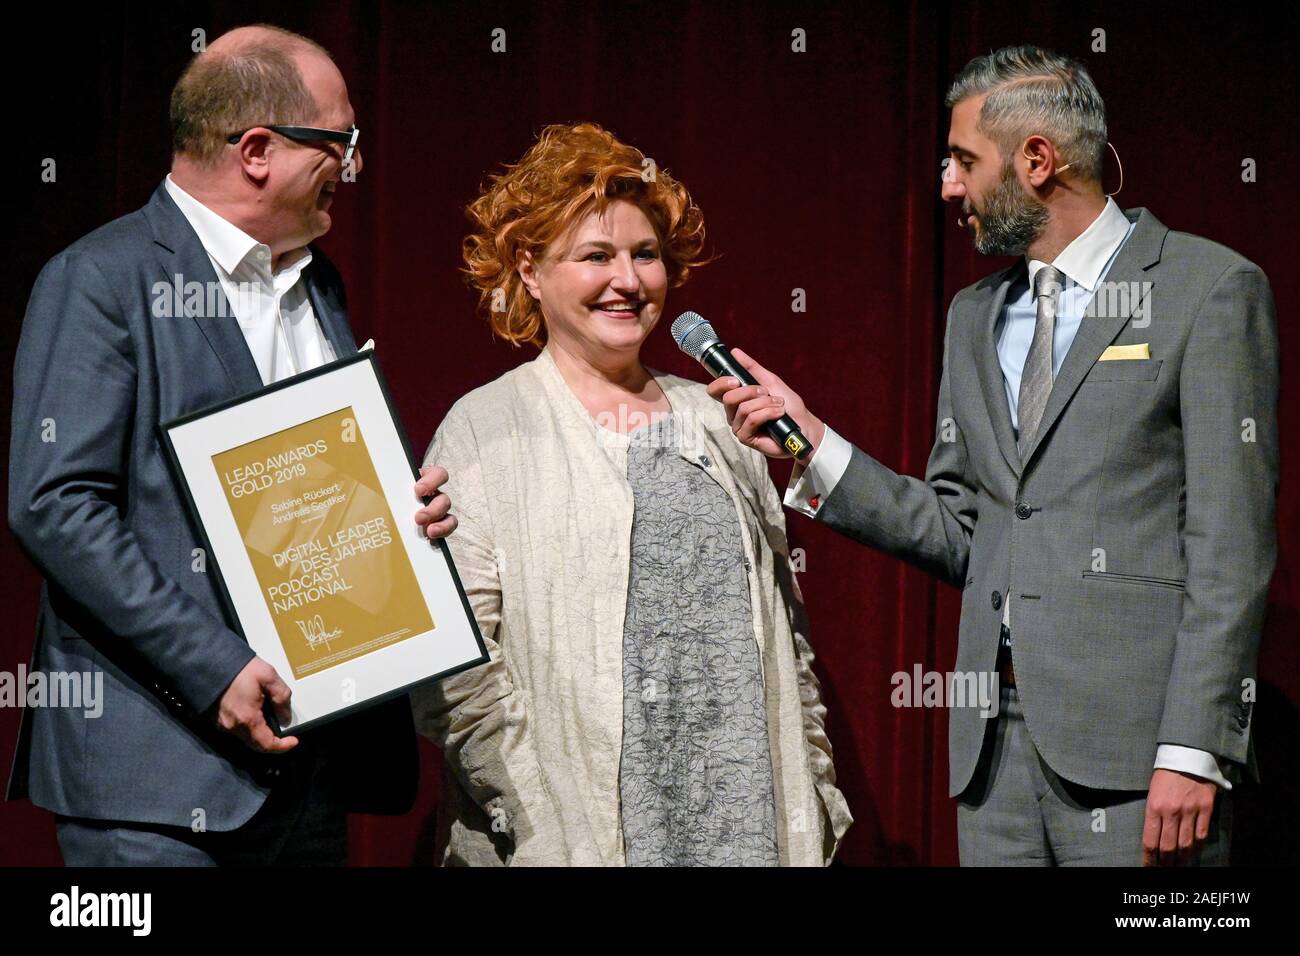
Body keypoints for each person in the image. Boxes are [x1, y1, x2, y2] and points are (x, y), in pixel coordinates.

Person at [709, 45, 1277, 866]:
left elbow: (1232, 546)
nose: (947, 186)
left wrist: (1194, 748)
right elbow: (965, 532)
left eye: (963, 161)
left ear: (1037, 161)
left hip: (1139, 759)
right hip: (993, 761)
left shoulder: (1209, 289)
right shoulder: (973, 317)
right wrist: (817, 445)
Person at [7, 24, 456, 865]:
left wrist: (397, 516)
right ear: (257, 150)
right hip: (158, 786)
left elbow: (300, 491)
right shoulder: (101, 280)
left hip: (307, 767)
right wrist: (211, 664)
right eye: (341, 142)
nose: (354, 167)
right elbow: (56, 505)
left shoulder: (317, 280)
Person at [412, 122, 851, 866]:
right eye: (596, 257)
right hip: (579, 839)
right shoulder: (485, 428)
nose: (628, 280)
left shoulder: (717, 417)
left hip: (744, 834)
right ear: (529, 268)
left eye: (644, 255)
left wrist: (813, 790)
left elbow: (787, 634)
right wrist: (536, 825)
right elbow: (460, 672)